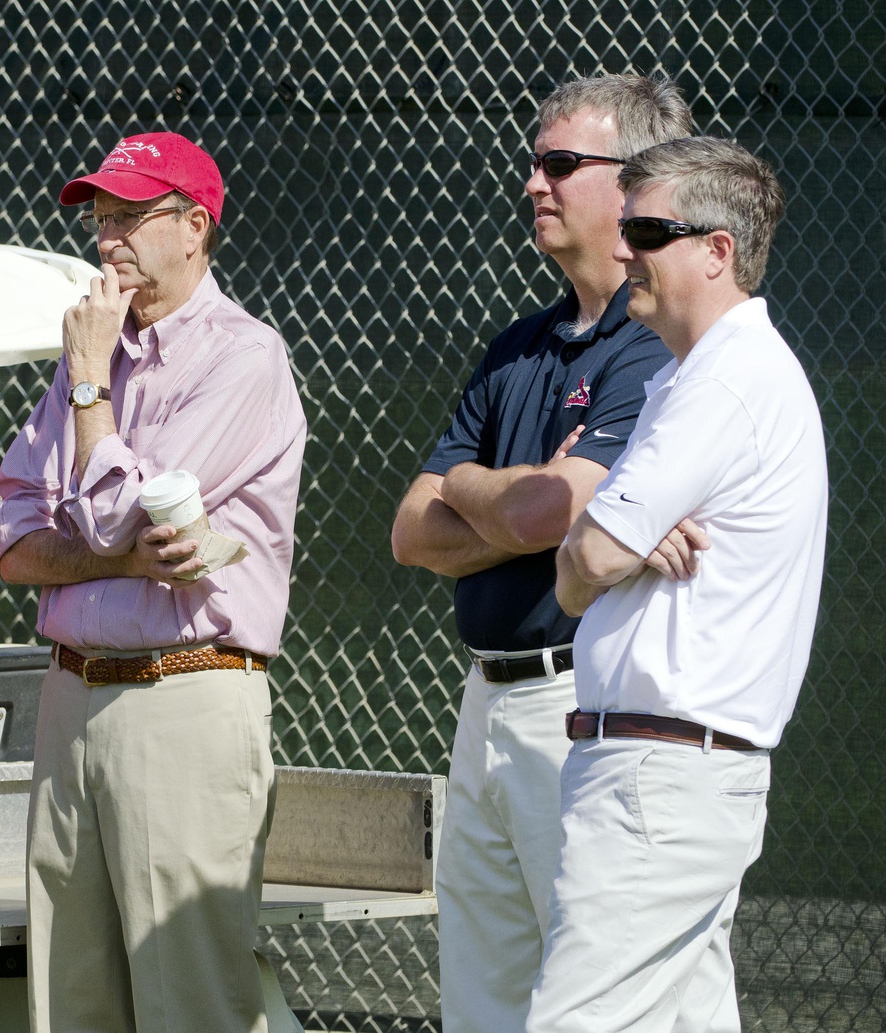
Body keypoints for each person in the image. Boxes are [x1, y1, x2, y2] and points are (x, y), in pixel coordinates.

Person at [0, 131, 306, 1033]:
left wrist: (90, 388)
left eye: (129, 216)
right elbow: (12, 536)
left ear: (195, 227)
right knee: (68, 1003)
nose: (106, 237)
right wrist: (119, 559)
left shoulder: (243, 355)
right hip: (70, 693)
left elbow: (119, 514)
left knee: (188, 1004)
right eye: (99, 216)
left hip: (183, 692)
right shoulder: (95, 351)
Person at [389, 73, 692, 1032]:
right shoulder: (516, 346)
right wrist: (512, 496)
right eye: (533, 162)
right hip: (484, 700)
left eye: (560, 163)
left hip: (584, 703)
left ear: (634, 182)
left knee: (590, 999)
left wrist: (477, 489)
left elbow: (549, 513)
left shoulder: (654, 347)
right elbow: (412, 530)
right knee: (484, 997)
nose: (533, 182)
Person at [532, 136, 825, 1032]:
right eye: (626, 227)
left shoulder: (727, 379)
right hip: (674, 773)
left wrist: (604, 538)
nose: (625, 249)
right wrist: (612, 538)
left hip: (659, 776)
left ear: (717, 250)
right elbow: (582, 566)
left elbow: (583, 564)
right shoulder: (690, 376)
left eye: (649, 231)